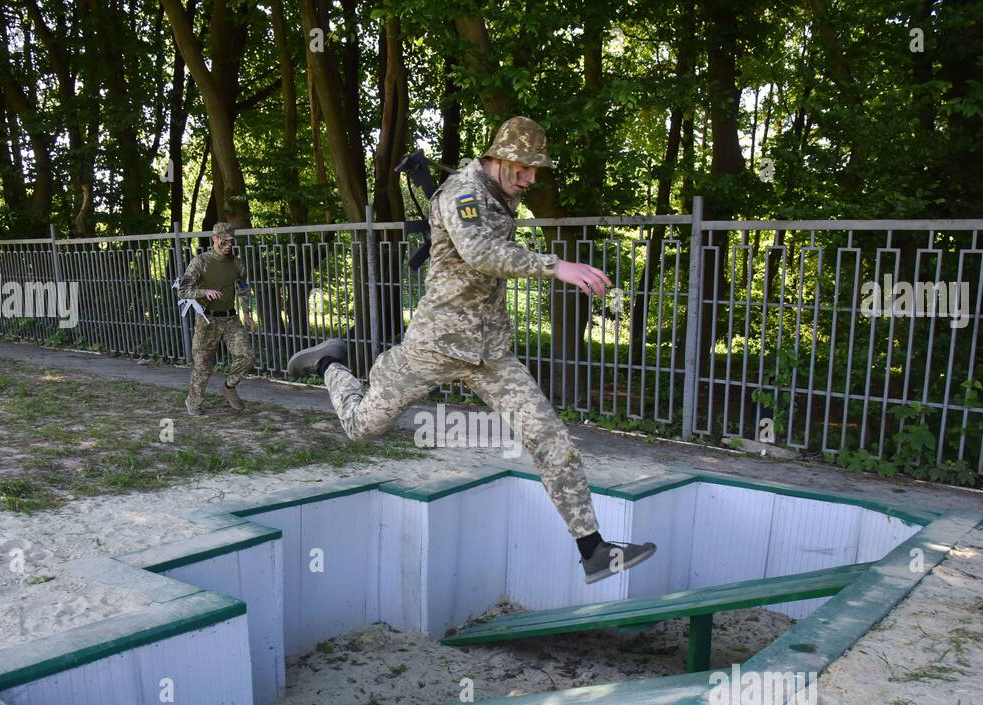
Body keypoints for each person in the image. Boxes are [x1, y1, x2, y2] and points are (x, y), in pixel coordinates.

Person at [286, 117, 655, 584]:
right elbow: (481, 254)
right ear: (500, 155)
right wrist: (557, 265)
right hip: (436, 345)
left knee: (552, 440)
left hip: (489, 354)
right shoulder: (463, 192)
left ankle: (594, 551)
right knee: (361, 426)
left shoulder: (502, 197)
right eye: (524, 168)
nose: (531, 178)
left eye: (536, 170)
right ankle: (330, 361)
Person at [175, 222, 255, 416]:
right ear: (215, 239)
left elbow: (243, 288)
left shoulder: (237, 263)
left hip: (230, 319)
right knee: (202, 365)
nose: (228, 244)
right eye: (224, 241)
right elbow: (182, 291)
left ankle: (228, 387)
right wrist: (205, 291)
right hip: (207, 320)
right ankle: (193, 403)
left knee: (247, 356)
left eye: (231, 241)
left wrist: (247, 313)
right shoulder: (200, 262)